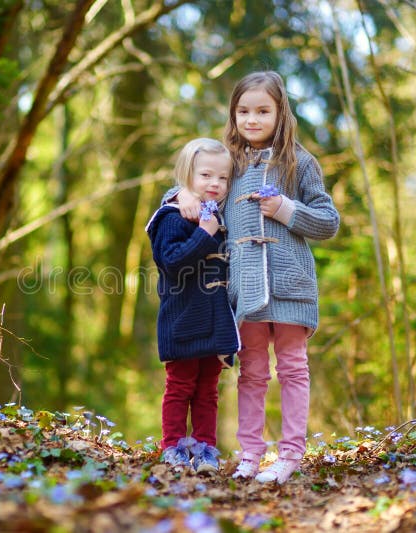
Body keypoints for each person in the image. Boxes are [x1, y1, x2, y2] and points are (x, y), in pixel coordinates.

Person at [168, 71, 340, 484]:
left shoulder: (300, 162)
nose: (252, 119)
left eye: (263, 110)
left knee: (294, 368)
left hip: (291, 284)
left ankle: (291, 454)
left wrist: (284, 209)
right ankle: (250, 455)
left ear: (281, 113)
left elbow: (329, 222)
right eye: (243, 111)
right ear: (233, 114)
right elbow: (195, 184)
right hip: (244, 289)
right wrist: (185, 195)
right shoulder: (229, 161)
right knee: (252, 372)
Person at [145, 137, 240, 474]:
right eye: (205, 176)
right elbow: (170, 261)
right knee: (180, 385)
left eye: (222, 178)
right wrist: (203, 233)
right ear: (187, 176)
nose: (214, 184)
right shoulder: (172, 215)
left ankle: (205, 448)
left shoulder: (221, 214)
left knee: (208, 390)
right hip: (183, 317)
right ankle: (172, 446)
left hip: (215, 319)